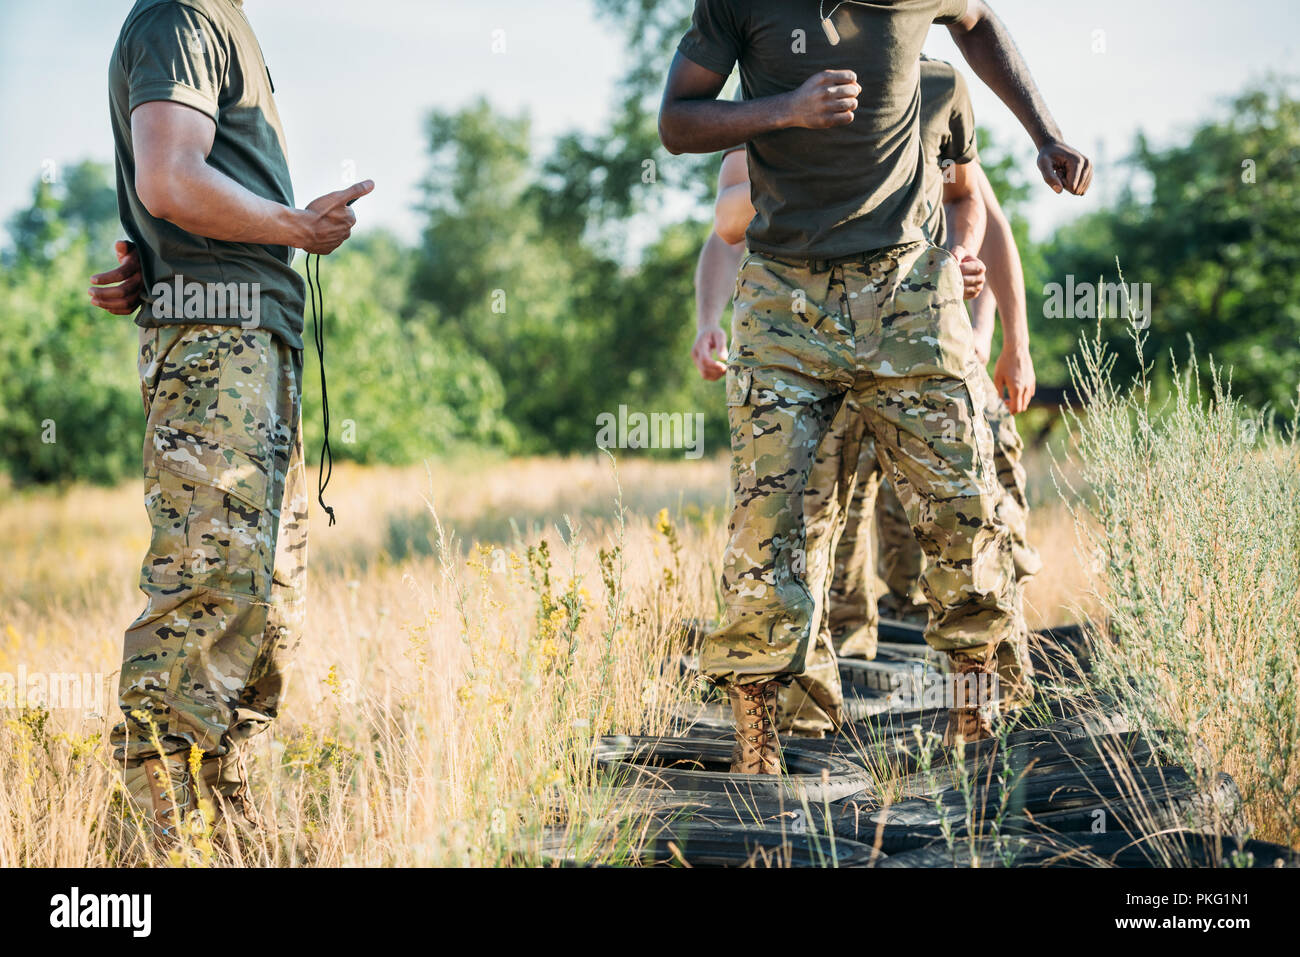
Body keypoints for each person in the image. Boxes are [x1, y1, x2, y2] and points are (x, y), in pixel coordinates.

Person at [662, 0, 1091, 772]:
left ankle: (973, 726)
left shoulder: (936, 76)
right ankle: (766, 747)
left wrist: (1045, 132)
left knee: (965, 506)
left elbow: (979, 22)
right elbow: (676, 123)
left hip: (907, 292)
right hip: (783, 297)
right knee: (771, 524)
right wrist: (786, 110)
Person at [92, 0, 372, 847]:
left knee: (264, 596)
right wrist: (297, 227)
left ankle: (224, 807)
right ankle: (156, 833)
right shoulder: (180, 16)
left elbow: (175, 194)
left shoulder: (219, 20)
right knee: (207, 583)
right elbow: (170, 180)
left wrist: (155, 261)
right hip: (219, 344)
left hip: (250, 334)